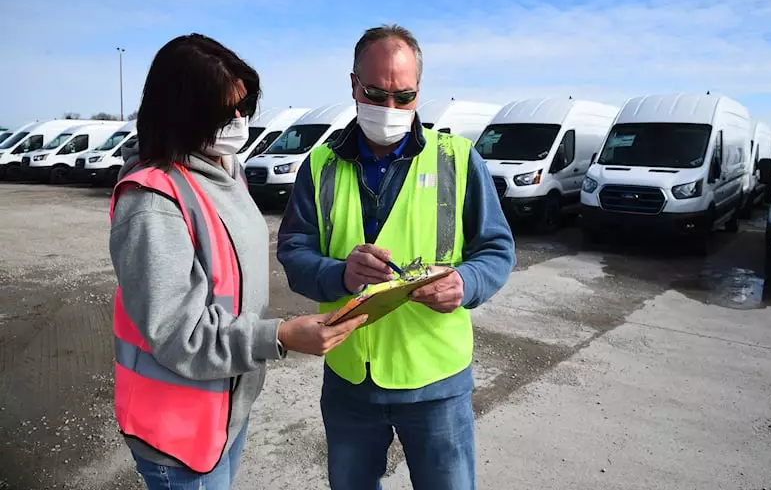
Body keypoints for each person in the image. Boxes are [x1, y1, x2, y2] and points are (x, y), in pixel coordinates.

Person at [108, 33, 367, 490]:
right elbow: (178, 333)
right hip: (178, 427)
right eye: (225, 112)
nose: (239, 121)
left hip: (223, 407)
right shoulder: (153, 200)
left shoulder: (225, 169)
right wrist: (280, 335)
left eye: (245, 108)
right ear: (183, 112)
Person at [276, 24, 516, 489]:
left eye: (404, 97)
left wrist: (465, 283)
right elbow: (294, 251)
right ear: (353, 85)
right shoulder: (320, 166)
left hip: (436, 382)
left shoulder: (459, 160)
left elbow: (496, 248)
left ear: (419, 92)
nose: (391, 108)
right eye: (376, 93)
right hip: (350, 381)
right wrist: (339, 273)